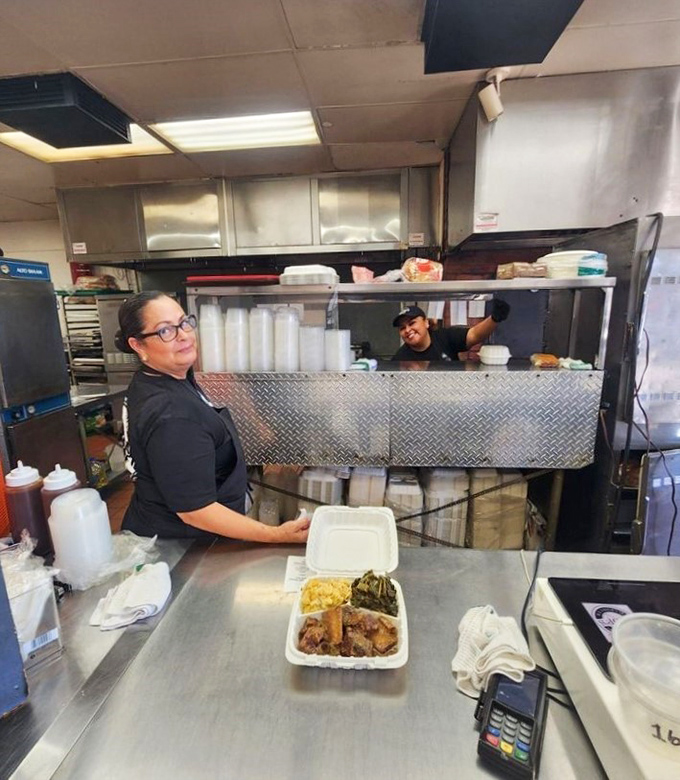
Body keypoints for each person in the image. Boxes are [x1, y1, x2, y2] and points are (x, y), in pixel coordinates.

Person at [115, 291, 310, 543]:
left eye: (184, 322)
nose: (184, 335)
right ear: (138, 345)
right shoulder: (172, 414)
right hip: (178, 545)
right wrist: (275, 534)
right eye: (165, 331)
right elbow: (195, 511)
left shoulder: (160, 378)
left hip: (169, 526)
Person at [391, 300, 511, 362]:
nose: (407, 330)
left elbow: (474, 335)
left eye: (412, 323)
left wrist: (495, 318)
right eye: (402, 328)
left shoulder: (445, 337)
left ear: (426, 323)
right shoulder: (400, 357)